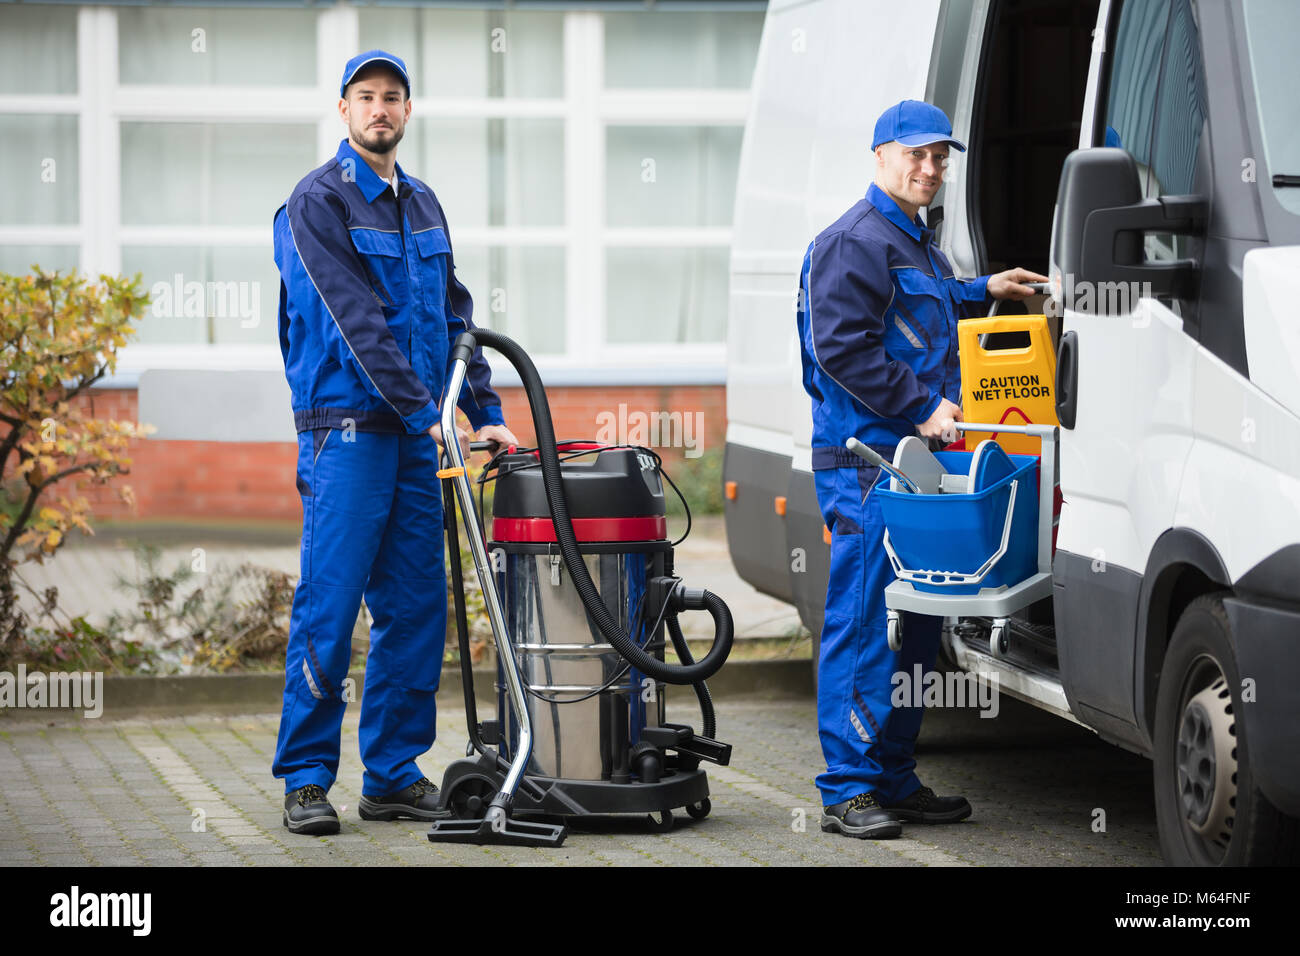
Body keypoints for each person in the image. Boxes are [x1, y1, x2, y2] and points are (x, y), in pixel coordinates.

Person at [270, 50, 518, 836]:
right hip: (347, 436)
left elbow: (453, 320)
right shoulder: (316, 204)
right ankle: (307, 778)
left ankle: (391, 773)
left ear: (407, 112)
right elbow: (354, 326)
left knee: (415, 608)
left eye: (393, 97)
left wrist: (482, 408)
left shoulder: (424, 204)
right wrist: (430, 414)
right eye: (366, 96)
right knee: (331, 607)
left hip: (420, 437)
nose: (380, 109)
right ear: (343, 110)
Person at [796, 100, 1046, 839]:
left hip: (913, 468)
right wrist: (920, 406)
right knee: (863, 620)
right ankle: (845, 789)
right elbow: (840, 348)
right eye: (915, 155)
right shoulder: (851, 241)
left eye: (940, 157)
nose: (930, 169)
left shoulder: (915, 243)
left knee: (919, 628)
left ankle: (893, 776)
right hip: (866, 465)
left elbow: (921, 312)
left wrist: (984, 290)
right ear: (880, 156)